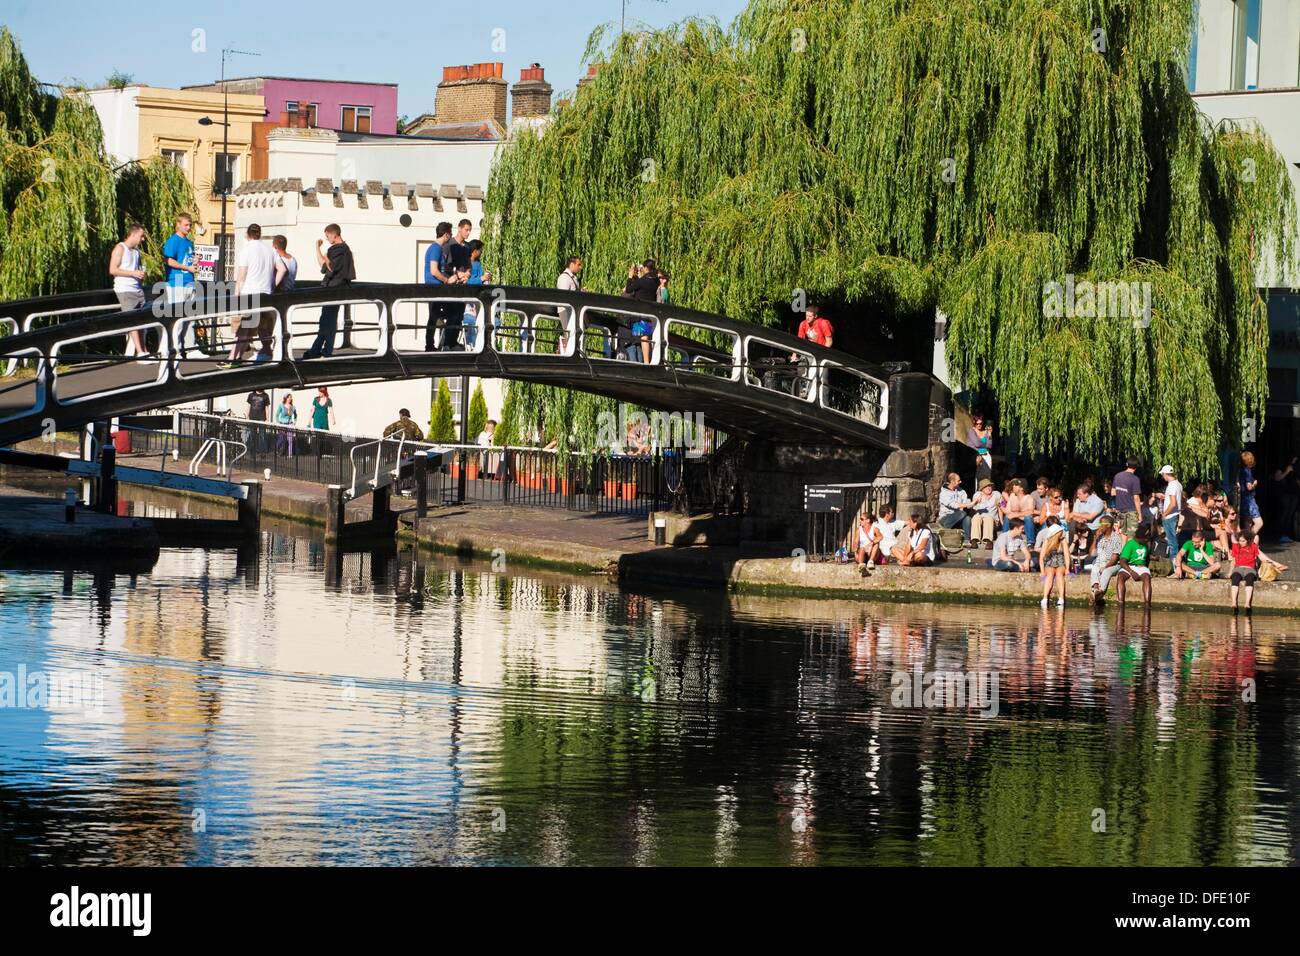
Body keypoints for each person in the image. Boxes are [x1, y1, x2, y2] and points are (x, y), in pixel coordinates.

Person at [228, 223, 277, 364]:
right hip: (266, 292)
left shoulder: (247, 249)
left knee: (243, 327)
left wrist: (236, 293)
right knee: (257, 326)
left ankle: (233, 358)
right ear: (259, 234)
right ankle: (264, 353)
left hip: (250, 292)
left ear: (247, 235)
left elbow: (242, 275)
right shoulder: (269, 250)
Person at [306, 224, 355, 358]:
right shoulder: (342, 249)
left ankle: (323, 351)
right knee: (327, 320)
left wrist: (324, 253)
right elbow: (324, 266)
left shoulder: (340, 250)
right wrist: (320, 250)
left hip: (334, 289)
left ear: (334, 234)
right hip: (335, 289)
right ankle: (318, 350)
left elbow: (329, 267)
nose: (327, 239)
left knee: (328, 320)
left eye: (327, 236)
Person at [109, 223, 151, 360]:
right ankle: (141, 353)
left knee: (142, 321)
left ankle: (144, 350)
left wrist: (140, 275)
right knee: (132, 321)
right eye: (141, 236)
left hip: (137, 289)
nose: (143, 239)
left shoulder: (136, 252)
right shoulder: (120, 248)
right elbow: (113, 270)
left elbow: (135, 271)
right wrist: (133, 273)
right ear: (133, 234)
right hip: (125, 289)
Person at [162, 213, 200, 355]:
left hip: (189, 280)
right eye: (186, 225)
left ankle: (191, 349)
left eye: (190, 225)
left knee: (190, 317)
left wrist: (195, 262)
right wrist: (188, 268)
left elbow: (188, 260)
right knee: (177, 318)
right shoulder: (173, 241)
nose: (189, 228)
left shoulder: (189, 242)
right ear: (178, 225)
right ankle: (173, 350)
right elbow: (168, 260)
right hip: (176, 281)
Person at [1229, 529, 1287, 613]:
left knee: (1249, 579)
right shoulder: (1236, 546)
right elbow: (1233, 560)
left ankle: (1247, 603)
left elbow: (1262, 558)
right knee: (1235, 578)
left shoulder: (1253, 547)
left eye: (1243, 541)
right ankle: (1234, 602)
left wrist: (1274, 565)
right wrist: (1230, 571)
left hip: (1250, 569)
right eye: (1240, 540)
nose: (1240, 542)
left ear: (1248, 541)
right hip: (1238, 568)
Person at [424, 222, 456, 351]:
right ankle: (432, 345)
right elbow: (434, 270)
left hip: (436, 288)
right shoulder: (436, 248)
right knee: (437, 316)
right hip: (435, 288)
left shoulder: (436, 248)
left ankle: (434, 344)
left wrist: (456, 274)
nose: (452, 235)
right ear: (446, 234)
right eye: (451, 233)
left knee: (435, 316)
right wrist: (447, 281)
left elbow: (440, 268)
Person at [1088, 516, 1126, 602]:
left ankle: (1100, 591)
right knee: (1094, 567)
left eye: (1101, 524)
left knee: (1106, 571)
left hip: (1113, 564)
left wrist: (1105, 567)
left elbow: (1114, 558)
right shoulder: (1099, 538)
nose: (1099, 527)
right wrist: (1095, 539)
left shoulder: (1116, 538)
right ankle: (1095, 588)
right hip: (1099, 562)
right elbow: (1092, 554)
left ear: (1108, 526)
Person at [1115, 522, 1153, 607]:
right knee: (1120, 576)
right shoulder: (1130, 544)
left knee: (1146, 577)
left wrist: (1152, 557)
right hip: (1129, 566)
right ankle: (1121, 603)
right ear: (1140, 538)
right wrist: (1131, 572)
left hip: (1142, 567)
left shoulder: (1145, 544)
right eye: (1146, 538)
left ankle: (1147, 604)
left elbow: (1144, 556)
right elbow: (1122, 561)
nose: (1148, 539)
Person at [1037, 516, 1067, 607]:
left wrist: (1068, 568)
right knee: (1049, 574)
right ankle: (1045, 598)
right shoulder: (1047, 540)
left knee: (1059, 573)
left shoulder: (1063, 541)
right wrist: (1042, 571)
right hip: (1050, 562)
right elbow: (1041, 557)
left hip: (1061, 562)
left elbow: (1066, 555)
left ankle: (1061, 598)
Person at [1157, 465, 1184, 564]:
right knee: (1174, 541)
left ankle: (1175, 567)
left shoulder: (1172, 485)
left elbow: (1173, 503)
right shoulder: (1178, 484)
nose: (1162, 477)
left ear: (1166, 474)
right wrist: (1166, 498)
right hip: (1174, 515)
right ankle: (1176, 565)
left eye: (1163, 474)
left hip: (1170, 517)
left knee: (1172, 542)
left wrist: (1164, 514)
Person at [937, 472, 974, 544]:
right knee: (962, 513)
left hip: (959, 518)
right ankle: (945, 529)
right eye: (958, 480)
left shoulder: (961, 491)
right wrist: (968, 504)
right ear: (952, 481)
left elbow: (967, 502)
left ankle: (966, 540)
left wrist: (974, 503)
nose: (961, 482)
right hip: (946, 518)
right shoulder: (944, 493)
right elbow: (954, 505)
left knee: (967, 518)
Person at [1112, 457, 1143, 537]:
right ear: (1136, 467)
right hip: (1131, 510)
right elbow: (1136, 498)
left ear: (1126, 464)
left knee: (1122, 533)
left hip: (1119, 510)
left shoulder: (1117, 476)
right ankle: (1129, 549)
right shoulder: (1135, 479)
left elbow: (1113, 492)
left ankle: (1123, 549)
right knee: (1131, 535)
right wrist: (1139, 514)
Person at [1271, 455, 1298, 544]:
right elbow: (1277, 478)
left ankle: (1287, 534)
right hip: (1284, 494)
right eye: (1294, 458)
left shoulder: (1295, 468)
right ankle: (1281, 534)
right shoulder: (1282, 467)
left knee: (1290, 514)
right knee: (1284, 513)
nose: (1295, 460)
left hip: (1294, 493)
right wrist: (1287, 471)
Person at [1003, 477, 1037, 545]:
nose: (1013, 486)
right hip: (1015, 521)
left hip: (1024, 522)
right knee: (1007, 517)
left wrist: (1017, 514)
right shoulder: (1012, 496)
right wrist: (1001, 505)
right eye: (1013, 485)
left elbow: (1031, 512)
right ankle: (1004, 540)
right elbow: (1007, 511)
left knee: (1028, 517)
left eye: (1016, 485)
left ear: (1022, 488)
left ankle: (1030, 542)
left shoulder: (1029, 498)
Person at [970, 478, 1000, 548]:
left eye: (990, 486)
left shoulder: (996, 494)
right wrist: (977, 502)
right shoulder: (977, 495)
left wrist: (1001, 503)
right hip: (980, 517)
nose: (989, 488)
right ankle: (974, 539)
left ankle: (988, 540)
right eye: (986, 486)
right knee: (976, 517)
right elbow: (973, 507)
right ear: (982, 489)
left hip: (992, 519)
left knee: (988, 517)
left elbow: (1003, 505)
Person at [1238, 450, 1263, 536]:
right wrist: (1255, 484)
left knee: (1247, 524)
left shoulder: (1240, 470)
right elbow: (1249, 487)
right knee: (1259, 523)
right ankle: (1248, 541)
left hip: (1242, 499)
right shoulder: (1247, 471)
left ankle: (1246, 543)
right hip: (1249, 500)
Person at [966, 412, 993, 482]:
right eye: (977, 424)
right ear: (974, 423)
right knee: (978, 479)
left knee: (987, 479)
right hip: (976, 457)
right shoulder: (971, 431)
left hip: (987, 457)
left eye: (980, 423)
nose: (979, 425)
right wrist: (984, 442)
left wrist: (989, 434)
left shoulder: (986, 432)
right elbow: (977, 443)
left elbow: (989, 445)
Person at [245, 387, 271, 453]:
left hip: (261, 418)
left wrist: (267, 419)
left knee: (262, 434)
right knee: (252, 434)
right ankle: (252, 449)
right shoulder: (251, 395)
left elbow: (267, 408)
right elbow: (248, 405)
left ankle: (262, 450)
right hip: (252, 417)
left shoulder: (265, 396)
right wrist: (247, 416)